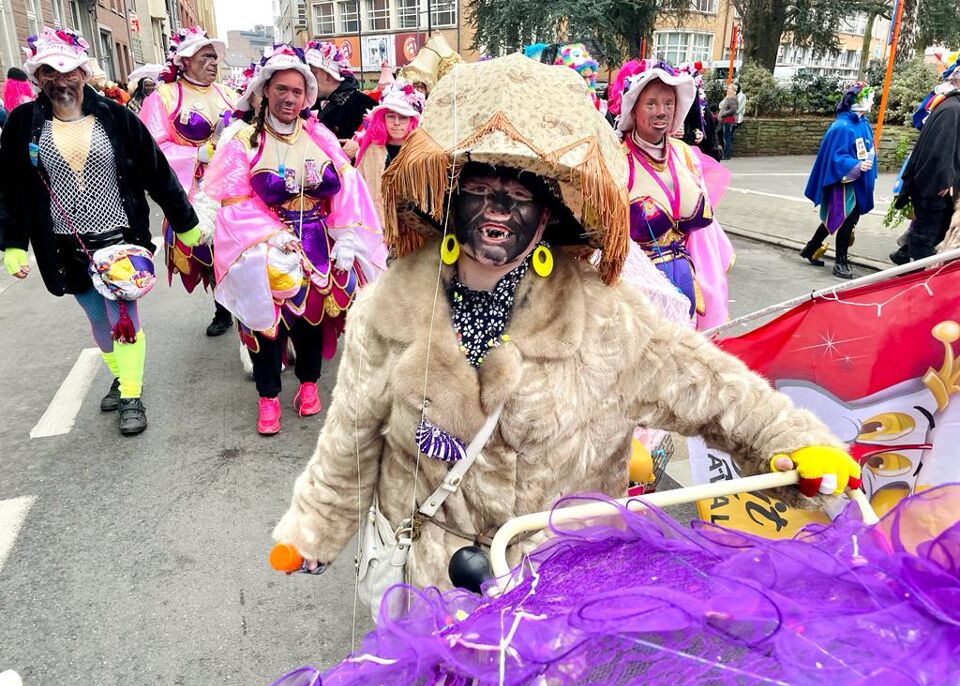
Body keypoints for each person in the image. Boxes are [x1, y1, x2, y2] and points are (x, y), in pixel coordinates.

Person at [269, 54, 859, 604]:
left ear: (548, 216)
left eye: (518, 196)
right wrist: (314, 528)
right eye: (479, 190)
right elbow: (351, 435)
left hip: (560, 587)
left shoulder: (602, 314)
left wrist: (791, 441)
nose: (497, 210)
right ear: (449, 202)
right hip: (429, 582)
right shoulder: (389, 305)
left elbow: (706, 386)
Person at [0, 28, 199, 435]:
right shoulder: (24, 122)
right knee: (97, 319)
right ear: (37, 77)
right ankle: (121, 375)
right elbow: (10, 187)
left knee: (123, 317)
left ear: (84, 73)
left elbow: (156, 171)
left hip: (118, 239)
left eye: (69, 71)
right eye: (50, 73)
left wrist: (186, 223)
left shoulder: (115, 115)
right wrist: (13, 244)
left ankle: (131, 395)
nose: (61, 80)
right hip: (63, 244)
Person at [204, 44, 386, 435]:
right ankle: (268, 398)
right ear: (265, 91)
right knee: (266, 326)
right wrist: (271, 239)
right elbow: (234, 203)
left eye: (297, 91)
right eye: (282, 89)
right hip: (264, 248)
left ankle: (308, 385)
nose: (289, 98)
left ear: (307, 96)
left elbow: (347, 185)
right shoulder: (243, 141)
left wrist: (348, 236)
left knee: (311, 321)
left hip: (318, 244)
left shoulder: (319, 135)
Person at [614, 59, 734, 329]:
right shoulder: (617, 160)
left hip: (688, 286)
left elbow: (706, 237)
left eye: (669, 104)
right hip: (636, 297)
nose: (661, 112)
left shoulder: (686, 156)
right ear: (634, 109)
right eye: (651, 104)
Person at [139, 26, 238, 337]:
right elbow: (151, 148)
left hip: (231, 185)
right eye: (205, 56)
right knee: (206, 249)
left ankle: (242, 305)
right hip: (193, 188)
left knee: (238, 246)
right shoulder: (164, 97)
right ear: (185, 60)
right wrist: (198, 154)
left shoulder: (228, 94)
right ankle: (222, 308)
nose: (213, 62)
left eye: (214, 57)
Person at [799, 82, 877, 280]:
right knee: (846, 220)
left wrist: (868, 161)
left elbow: (868, 148)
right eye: (869, 98)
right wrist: (856, 165)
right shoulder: (841, 127)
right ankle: (840, 261)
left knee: (837, 216)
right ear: (858, 101)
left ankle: (811, 248)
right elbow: (835, 158)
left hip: (859, 181)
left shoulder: (863, 124)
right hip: (843, 182)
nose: (872, 102)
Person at [890, 57, 960, 265]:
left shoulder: (951, 106)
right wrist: (944, 181)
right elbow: (941, 150)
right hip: (936, 189)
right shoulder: (953, 110)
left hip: (934, 186)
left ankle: (906, 257)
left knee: (929, 232)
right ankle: (912, 269)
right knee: (928, 235)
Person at [353, 81, 425, 222]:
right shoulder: (371, 151)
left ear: (412, 121)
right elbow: (358, 189)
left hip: (415, 226)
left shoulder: (422, 152)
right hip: (377, 224)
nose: (396, 122)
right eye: (391, 116)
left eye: (403, 117)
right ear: (383, 119)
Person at [305, 40, 374, 148]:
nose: (308, 80)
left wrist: (356, 149)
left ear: (329, 75)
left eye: (313, 73)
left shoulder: (364, 105)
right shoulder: (308, 104)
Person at [717, 84, 738, 160]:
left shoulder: (732, 99)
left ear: (733, 90)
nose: (727, 90)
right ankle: (726, 154)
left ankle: (726, 155)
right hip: (726, 120)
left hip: (728, 121)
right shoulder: (729, 98)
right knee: (726, 138)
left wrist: (723, 114)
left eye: (729, 88)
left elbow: (733, 110)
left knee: (726, 138)